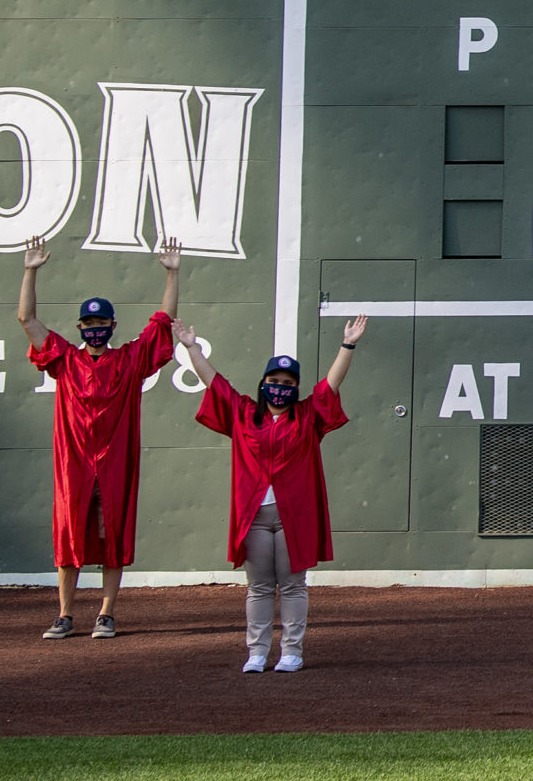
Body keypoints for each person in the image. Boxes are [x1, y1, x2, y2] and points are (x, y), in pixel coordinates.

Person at [175, 315, 364, 672]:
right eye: (274, 381)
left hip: (293, 516)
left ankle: (292, 652)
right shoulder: (244, 413)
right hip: (255, 517)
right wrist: (191, 348)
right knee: (259, 588)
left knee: (292, 586)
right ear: (263, 383)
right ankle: (257, 653)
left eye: (288, 382)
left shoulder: (308, 416)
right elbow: (214, 383)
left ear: (296, 387)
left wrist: (347, 345)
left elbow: (331, 385)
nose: (280, 387)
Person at [18, 233, 182, 639]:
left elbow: (162, 326)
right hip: (73, 464)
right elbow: (27, 320)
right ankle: (65, 614)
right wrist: (29, 271)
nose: (95, 329)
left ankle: (107, 613)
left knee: (113, 535)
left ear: (112, 325)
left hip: (113, 462)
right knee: (68, 533)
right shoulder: (65, 361)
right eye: (88, 323)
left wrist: (172, 275)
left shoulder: (128, 360)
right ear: (80, 327)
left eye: (101, 323)